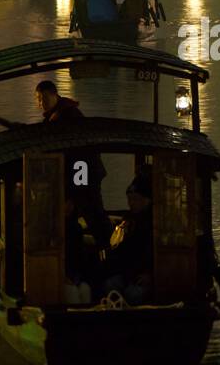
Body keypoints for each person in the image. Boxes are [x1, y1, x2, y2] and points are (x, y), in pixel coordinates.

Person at [34, 81, 112, 248]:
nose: (42, 103)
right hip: (77, 179)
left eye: (45, 98)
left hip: (85, 177)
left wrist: (74, 194)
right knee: (73, 220)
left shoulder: (69, 117)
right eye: (39, 99)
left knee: (93, 216)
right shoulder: (56, 117)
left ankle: (110, 253)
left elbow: (81, 157)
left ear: (55, 95)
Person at [102, 174, 154, 305]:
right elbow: (120, 248)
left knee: (133, 294)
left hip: (146, 275)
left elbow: (157, 253)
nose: (131, 203)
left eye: (135, 199)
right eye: (129, 199)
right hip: (128, 274)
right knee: (110, 285)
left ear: (146, 200)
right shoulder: (128, 221)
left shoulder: (154, 222)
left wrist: (151, 274)